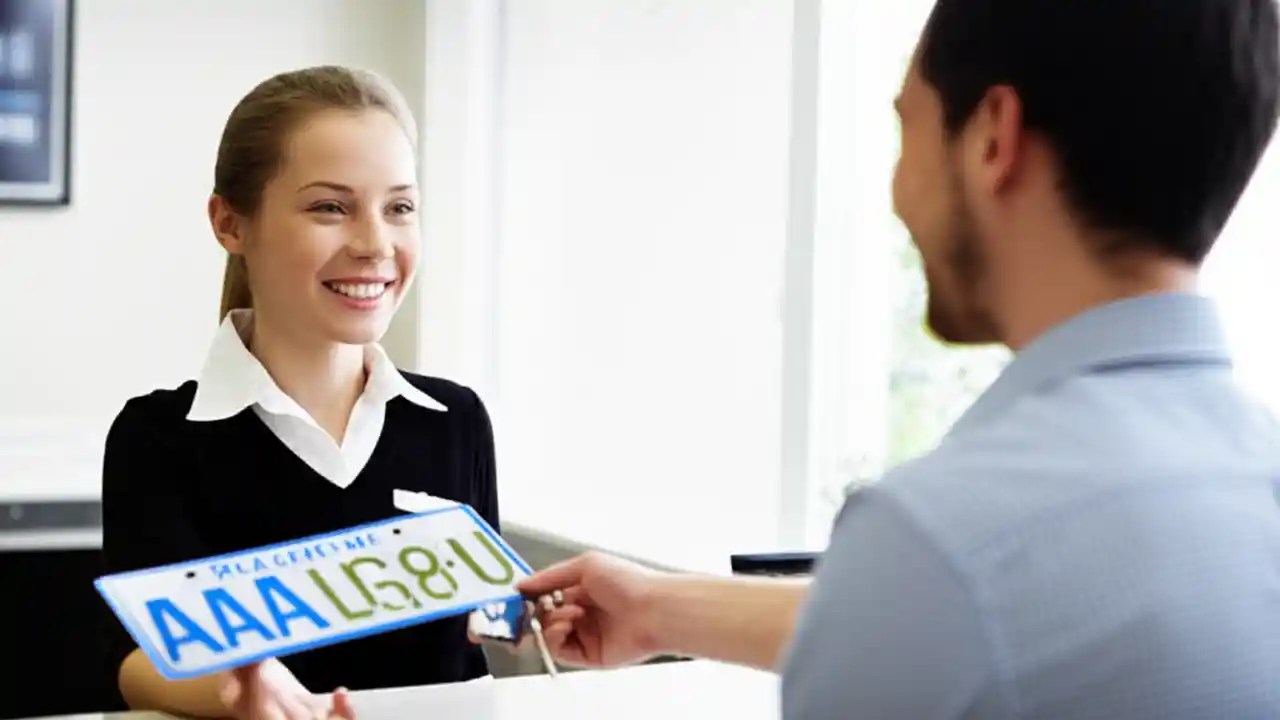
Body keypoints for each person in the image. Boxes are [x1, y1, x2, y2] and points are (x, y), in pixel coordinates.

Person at [514, 0, 1280, 717]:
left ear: (992, 138)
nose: (898, 193)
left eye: (906, 127)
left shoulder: (937, 542)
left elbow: (946, 599)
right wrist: (656, 608)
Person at [101, 66, 501, 719]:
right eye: (330, 208)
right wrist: (239, 689)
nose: (375, 244)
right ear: (230, 224)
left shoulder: (455, 419)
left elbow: (481, 641)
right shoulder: (160, 438)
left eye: (399, 208)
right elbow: (139, 661)